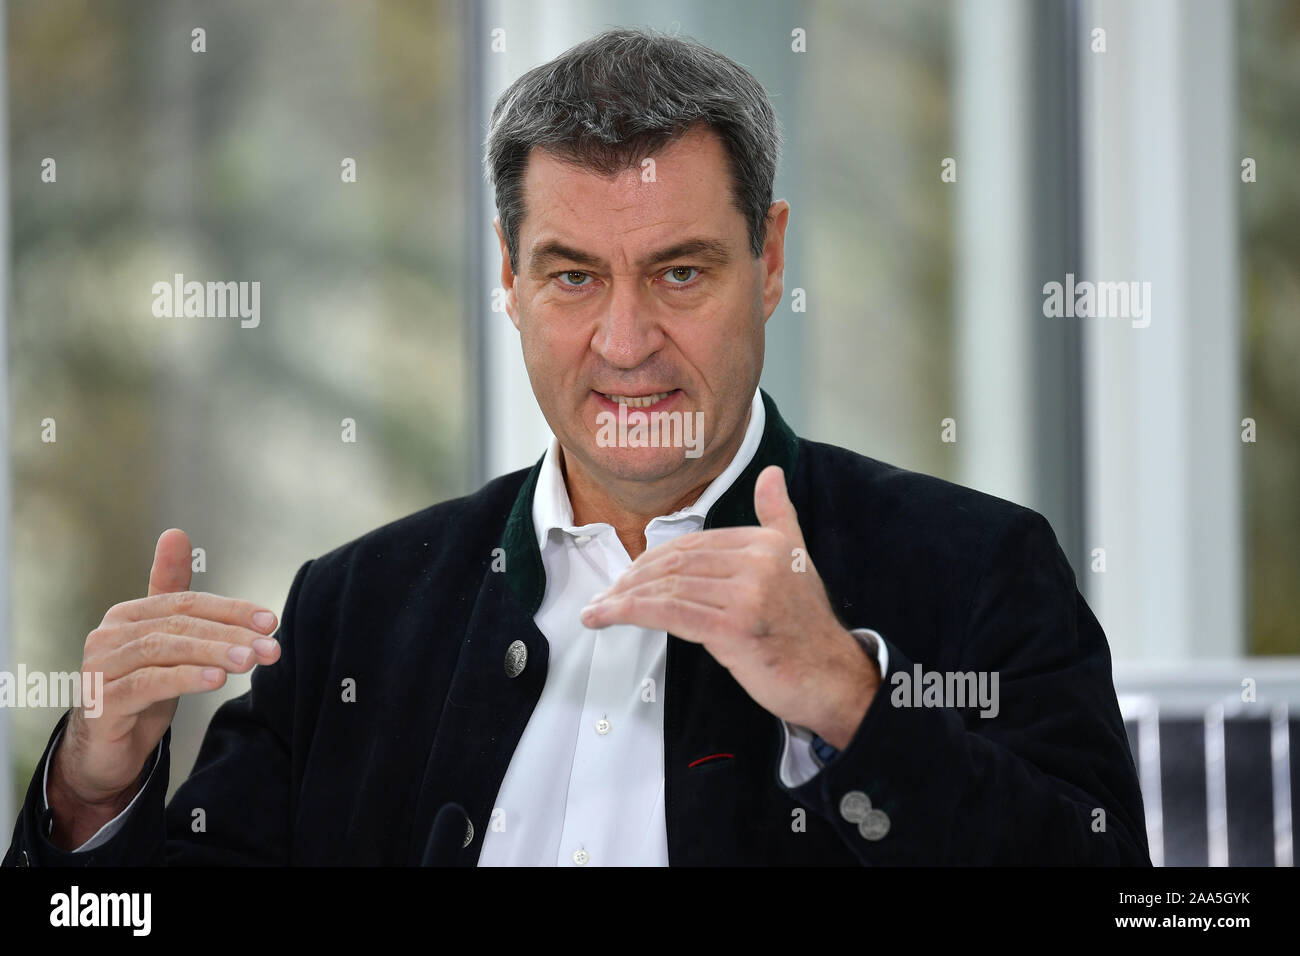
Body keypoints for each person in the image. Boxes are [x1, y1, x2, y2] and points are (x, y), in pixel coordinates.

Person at [4, 27, 1149, 866]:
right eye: (571, 275)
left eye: (681, 271)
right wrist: (89, 796)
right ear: (508, 278)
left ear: (773, 259)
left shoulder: (979, 568)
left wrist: (853, 705)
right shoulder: (355, 607)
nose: (625, 339)